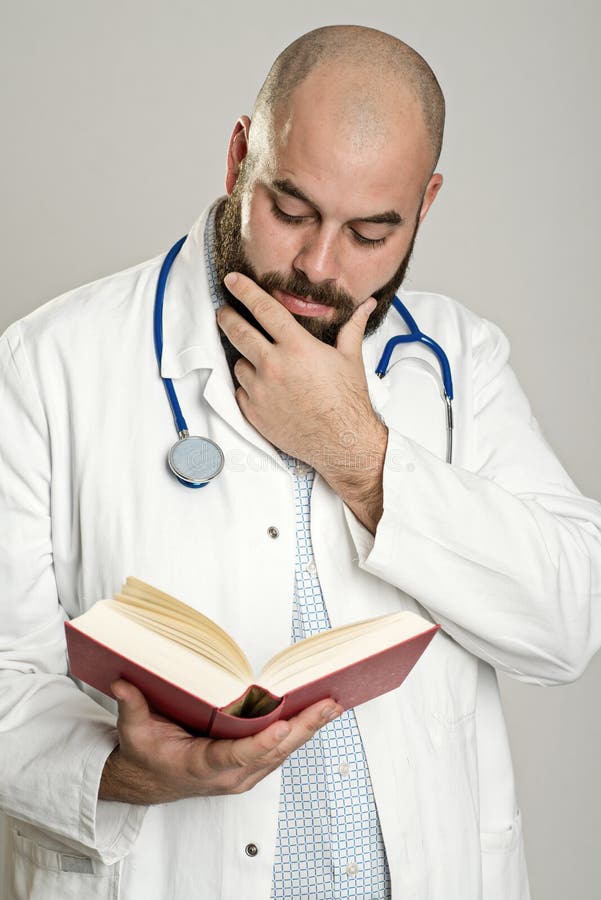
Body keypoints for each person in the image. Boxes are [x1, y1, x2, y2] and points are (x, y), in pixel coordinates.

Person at [0, 23, 600, 900]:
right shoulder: (48, 364)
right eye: (289, 210)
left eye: (370, 232)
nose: (317, 266)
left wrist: (358, 455)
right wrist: (123, 773)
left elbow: (568, 623)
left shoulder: (458, 360)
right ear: (241, 154)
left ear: (425, 205)